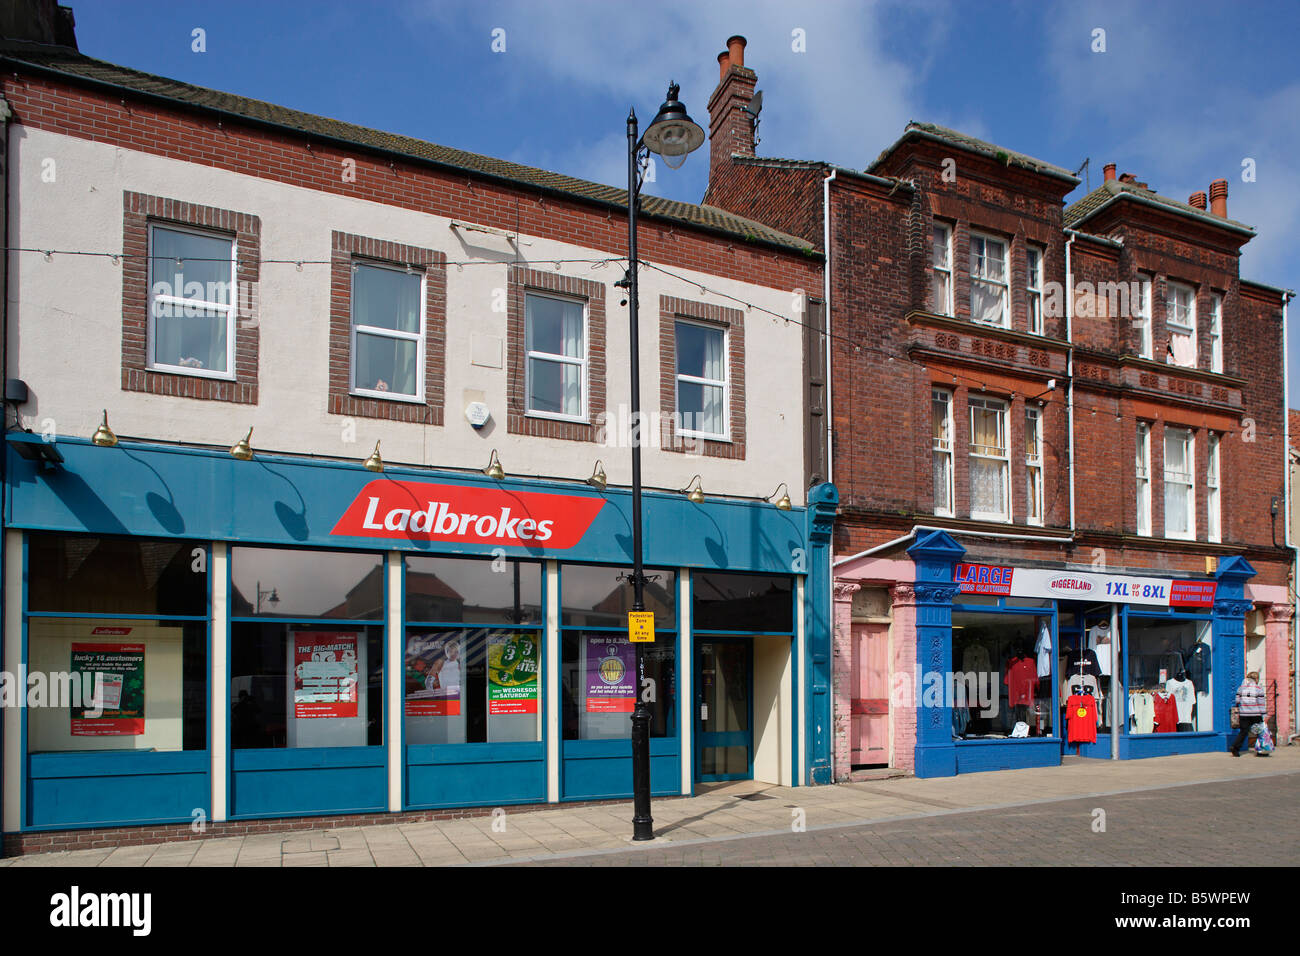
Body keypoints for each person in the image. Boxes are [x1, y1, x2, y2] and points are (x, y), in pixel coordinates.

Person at [1229, 670, 1267, 756]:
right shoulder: (1258, 689)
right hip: (1256, 714)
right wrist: (1264, 715)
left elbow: (1237, 701)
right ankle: (1261, 750)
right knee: (1259, 732)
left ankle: (1235, 747)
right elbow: (1261, 703)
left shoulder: (1241, 688)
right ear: (1256, 679)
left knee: (1243, 732)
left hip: (1244, 714)